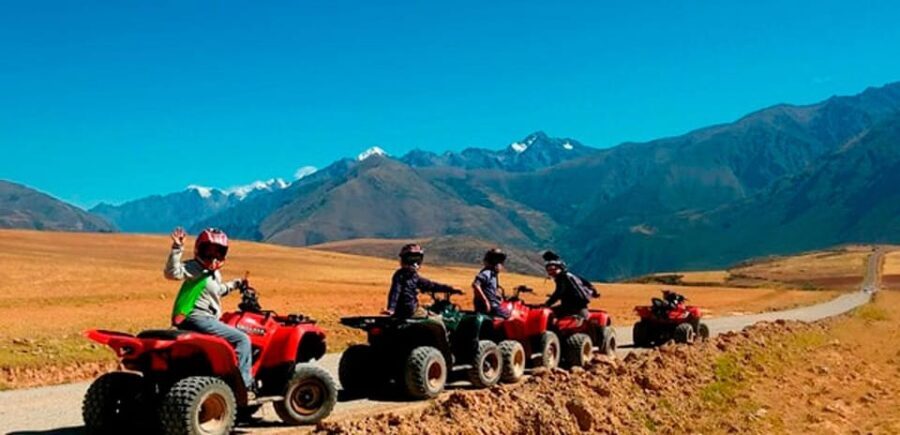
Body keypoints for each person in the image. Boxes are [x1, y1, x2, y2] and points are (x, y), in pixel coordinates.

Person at [165, 227, 254, 392]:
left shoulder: (213, 273)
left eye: (218, 253)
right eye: (208, 252)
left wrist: (236, 284)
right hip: (198, 318)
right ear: (199, 250)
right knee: (242, 339)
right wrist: (177, 248)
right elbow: (173, 273)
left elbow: (217, 291)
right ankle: (244, 386)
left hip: (204, 320)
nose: (213, 257)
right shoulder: (195, 268)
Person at [384, 243, 459, 319]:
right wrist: (391, 308)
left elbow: (429, 285)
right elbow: (395, 292)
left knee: (426, 308)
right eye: (411, 259)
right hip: (411, 310)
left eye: (416, 259)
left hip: (400, 311)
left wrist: (447, 288)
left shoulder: (405, 275)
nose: (414, 262)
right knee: (438, 318)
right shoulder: (408, 276)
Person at [542, 251, 599, 319]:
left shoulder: (561, 277)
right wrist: (594, 293)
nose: (551, 272)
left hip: (570, 306)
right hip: (582, 306)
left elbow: (559, 291)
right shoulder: (570, 275)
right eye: (549, 270)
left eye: (553, 269)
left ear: (559, 268)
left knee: (549, 315)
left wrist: (548, 303)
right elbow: (586, 283)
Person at [472, 248, 510, 318]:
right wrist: (485, 301)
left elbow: (492, 289)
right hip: (491, 306)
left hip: (493, 305)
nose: (501, 265)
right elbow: (476, 284)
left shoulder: (493, 275)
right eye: (500, 262)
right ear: (494, 262)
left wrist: (500, 297)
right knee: (511, 316)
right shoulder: (487, 273)